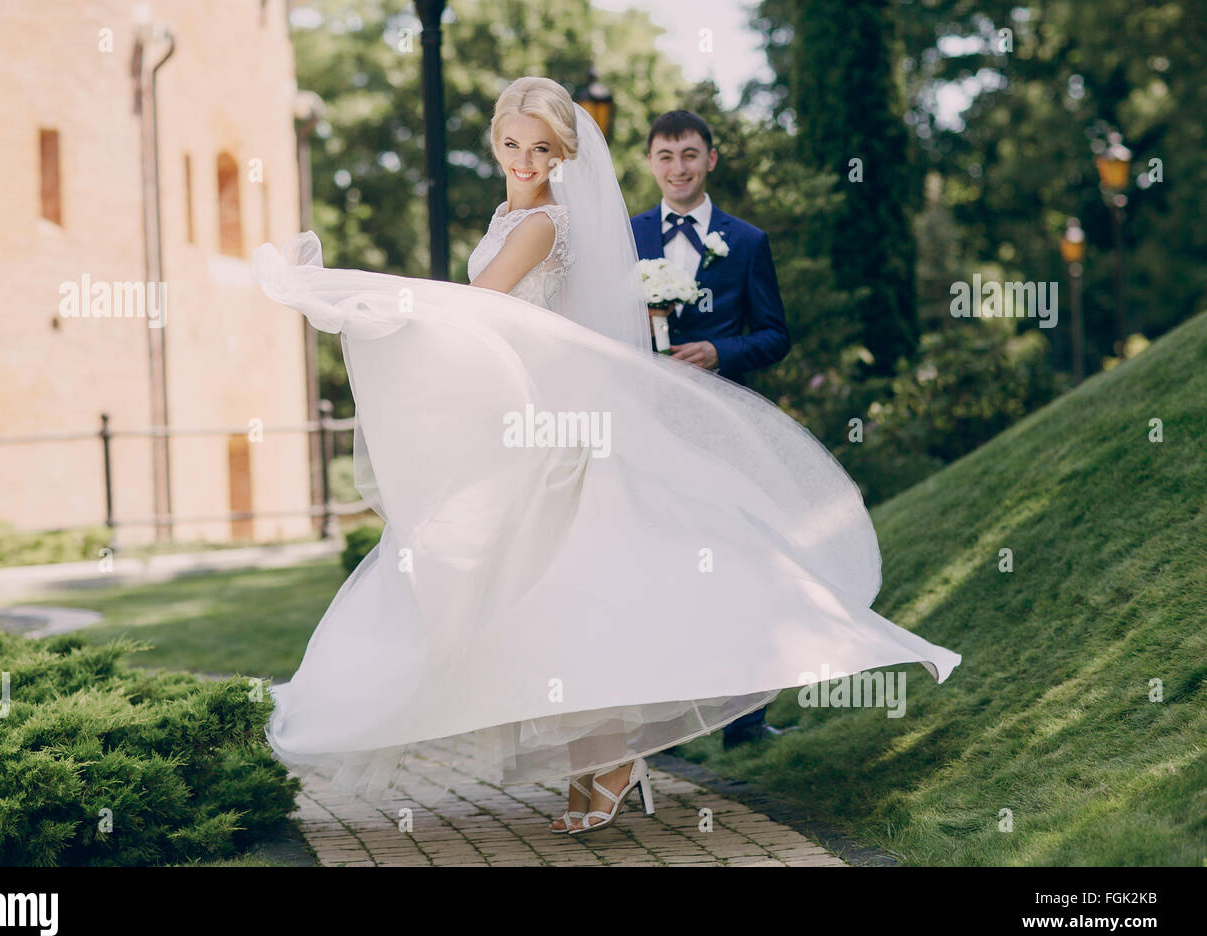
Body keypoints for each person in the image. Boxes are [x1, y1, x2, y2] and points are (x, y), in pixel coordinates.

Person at [251, 77, 961, 838]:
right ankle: (600, 758)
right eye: (511, 144)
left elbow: (476, 305)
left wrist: (361, 301)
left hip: (554, 423)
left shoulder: (542, 225)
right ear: (495, 141)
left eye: (541, 148)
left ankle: (611, 759)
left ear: (562, 154)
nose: (525, 160)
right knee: (556, 595)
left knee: (573, 583)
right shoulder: (506, 213)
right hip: (524, 416)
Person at [631, 109, 790, 748]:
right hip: (645, 430)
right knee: (655, 567)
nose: (678, 168)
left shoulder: (746, 242)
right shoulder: (625, 237)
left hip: (725, 429)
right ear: (651, 163)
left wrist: (720, 353)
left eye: (690, 155)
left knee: (738, 565)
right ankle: (658, 722)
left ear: (711, 160)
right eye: (666, 156)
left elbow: (776, 334)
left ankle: (743, 719)